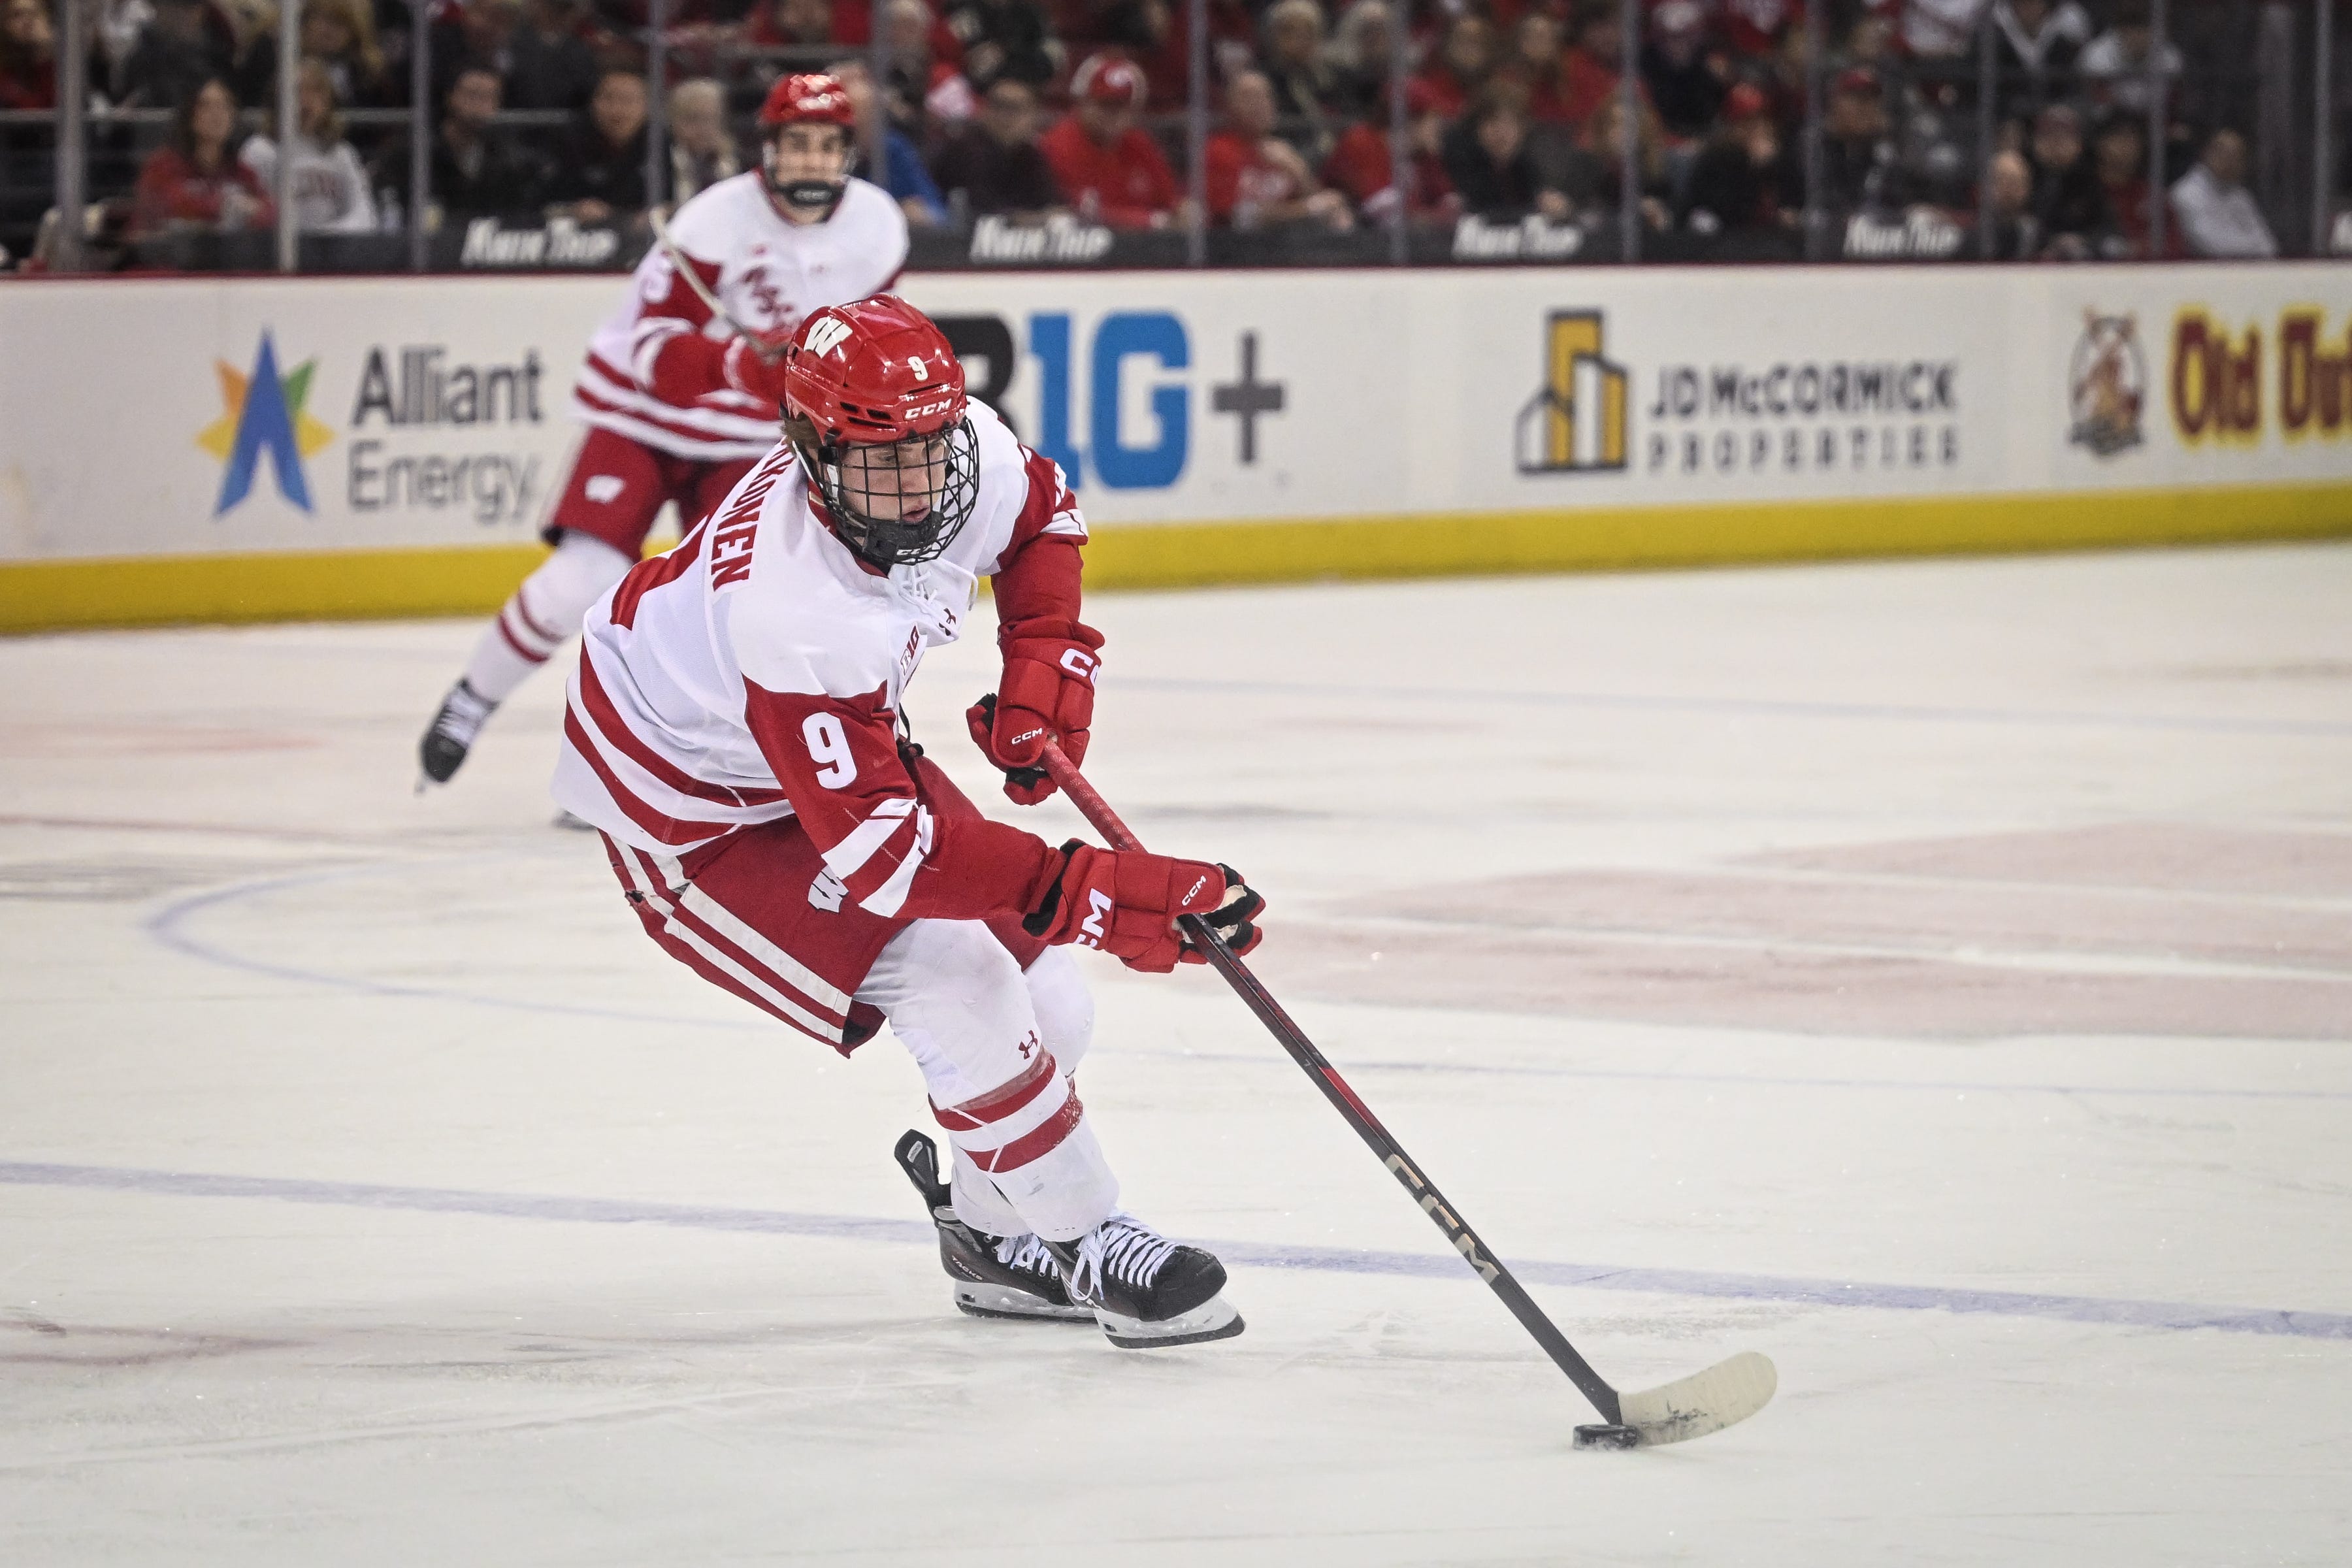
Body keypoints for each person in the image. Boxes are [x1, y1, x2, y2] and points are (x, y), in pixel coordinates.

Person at [553, 294, 1264, 1345]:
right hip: (693, 819)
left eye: (933, 449)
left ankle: (993, 1243)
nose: (920, 484)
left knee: (1049, 995)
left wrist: (1041, 664)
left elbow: (1041, 516)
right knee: (961, 981)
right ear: (807, 448)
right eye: (884, 463)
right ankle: (1087, 1238)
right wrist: (1103, 893)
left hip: (820, 762)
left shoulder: (946, 447)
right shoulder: (793, 606)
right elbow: (889, 854)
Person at [417, 74, 909, 790]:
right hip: (643, 417)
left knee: (724, 613)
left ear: (848, 154)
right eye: (796, 144)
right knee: (577, 583)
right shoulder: (713, 223)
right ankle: (470, 700)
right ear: (767, 151)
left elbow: (870, 335)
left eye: (826, 146)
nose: (811, 161)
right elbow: (649, 351)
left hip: (747, 436)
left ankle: (628, 765)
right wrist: (738, 364)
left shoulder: (877, 226)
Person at [374, 61, 544, 225]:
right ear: (450, 97)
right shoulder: (412, 152)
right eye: (473, 95)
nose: (480, 107)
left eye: (490, 97)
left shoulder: (508, 160)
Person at [1037, 53, 1182, 230]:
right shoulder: (1057, 145)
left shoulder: (1139, 144)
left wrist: (1185, 211)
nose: (1114, 115)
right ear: (1083, 103)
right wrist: (1152, 220)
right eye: (1105, 105)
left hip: (1141, 251)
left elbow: (1172, 201)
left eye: (1122, 107)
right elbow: (1074, 213)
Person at [239, 57, 378, 233]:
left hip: (331, 253)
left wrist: (326, 237)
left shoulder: (341, 153)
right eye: (298, 91)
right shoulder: (260, 150)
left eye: (316, 91)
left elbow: (365, 214)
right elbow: (250, 215)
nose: (307, 101)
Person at [1204, 68, 1351, 231]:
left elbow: (1318, 199)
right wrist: (1309, 209)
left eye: (1265, 97)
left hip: (1289, 247)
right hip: (1238, 250)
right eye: (1249, 98)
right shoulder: (1219, 150)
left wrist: (1297, 170)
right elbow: (1235, 217)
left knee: (1339, 211)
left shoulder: (1281, 151)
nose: (1259, 105)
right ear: (1230, 106)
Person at [131, 76, 276, 240]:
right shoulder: (163, 166)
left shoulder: (241, 172)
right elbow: (169, 205)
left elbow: (269, 212)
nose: (217, 114)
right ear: (190, 114)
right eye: (206, 106)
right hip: (171, 257)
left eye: (225, 106)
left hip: (228, 257)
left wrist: (256, 213)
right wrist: (227, 206)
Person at [1320, 75, 1456, 225]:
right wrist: (1440, 217)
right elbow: (1390, 220)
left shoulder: (1422, 155)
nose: (1440, 127)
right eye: (1434, 119)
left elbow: (1452, 204)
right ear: (1410, 121)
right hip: (1341, 244)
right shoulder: (1361, 143)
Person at [930, 78, 1065, 220]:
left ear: (1034, 115)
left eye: (1014, 109)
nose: (1005, 116)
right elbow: (978, 208)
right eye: (997, 106)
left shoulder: (1030, 155)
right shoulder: (966, 151)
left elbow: (1051, 202)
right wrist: (1023, 219)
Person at [544, 67, 653, 228]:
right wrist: (572, 210)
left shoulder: (662, 145)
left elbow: (680, 201)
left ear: (647, 106)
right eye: (608, 99)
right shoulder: (569, 144)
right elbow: (544, 206)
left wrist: (657, 214)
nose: (617, 110)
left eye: (627, 100)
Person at [1679, 81, 1791, 237]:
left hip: (1767, 239)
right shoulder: (1717, 157)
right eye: (1748, 124)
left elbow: (1787, 197)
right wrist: (1752, 166)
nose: (1757, 131)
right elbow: (1726, 209)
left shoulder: (1778, 156)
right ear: (1733, 126)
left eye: (1761, 123)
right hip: (1720, 239)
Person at [1442, 93, 1569, 221]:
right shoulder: (1460, 168)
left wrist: (1554, 206)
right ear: (1477, 129)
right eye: (1493, 123)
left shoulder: (1527, 167)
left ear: (1522, 129)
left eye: (1509, 124)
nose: (1501, 133)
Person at [2168, 128, 2276, 259]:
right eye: (2225, 154)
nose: (2231, 162)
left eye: (2238, 156)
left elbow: (2268, 244)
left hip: (2250, 270)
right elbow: (2214, 247)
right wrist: (2254, 250)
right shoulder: (2185, 193)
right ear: (2207, 153)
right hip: (2205, 273)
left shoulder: (2241, 195)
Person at [666, 78, 743, 204]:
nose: (703, 129)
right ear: (674, 121)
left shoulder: (737, 162)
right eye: (693, 119)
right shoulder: (661, 160)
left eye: (710, 119)